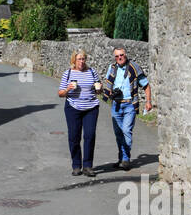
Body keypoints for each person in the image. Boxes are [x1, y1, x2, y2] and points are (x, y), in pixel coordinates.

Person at [102, 47, 151, 170]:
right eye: (117, 56)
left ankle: (125, 158)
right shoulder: (112, 68)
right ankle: (122, 158)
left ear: (126, 55)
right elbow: (108, 82)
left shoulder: (134, 68)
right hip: (116, 105)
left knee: (126, 131)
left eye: (122, 55)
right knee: (118, 133)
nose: (119, 57)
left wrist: (148, 101)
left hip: (129, 104)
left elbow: (146, 85)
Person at [57, 49, 101, 177]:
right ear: (74, 61)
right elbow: (60, 93)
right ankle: (76, 165)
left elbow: (98, 88)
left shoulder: (92, 72)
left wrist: (99, 88)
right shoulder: (68, 73)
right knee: (74, 137)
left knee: (90, 135)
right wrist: (68, 89)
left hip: (91, 108)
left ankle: (87, 166)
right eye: (79, 59)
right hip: (73, 108)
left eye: (83, 59)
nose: (81, 62)